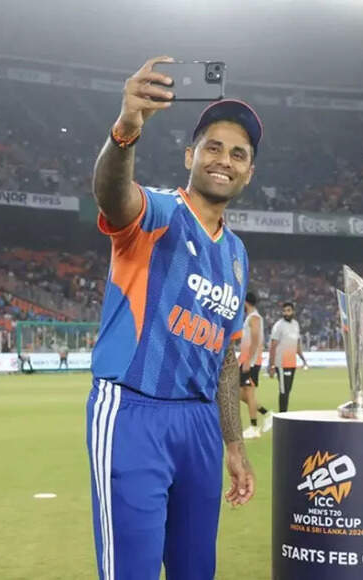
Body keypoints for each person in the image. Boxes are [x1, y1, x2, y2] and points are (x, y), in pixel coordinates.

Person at [87, 55, 261, 580]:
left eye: (238, 154)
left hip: (200, 425)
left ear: (249, 172)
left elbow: (225, 356)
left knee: (196, 571)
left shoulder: (236, 254)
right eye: (213, 147)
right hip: (134, 411)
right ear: (190, 155)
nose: (224, 160)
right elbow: (113, 198)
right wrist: (125, 131)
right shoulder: (161, 212)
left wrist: (234, 443)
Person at [238, 292, 271, 439]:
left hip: (250, 362)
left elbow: (256, 341)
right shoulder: (251, 318)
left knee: (249, 393)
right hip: (247, 360)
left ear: (246, 302)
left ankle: (254, 427)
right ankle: (267, 414)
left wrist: (248, 361)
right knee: (238, 393)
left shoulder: (254, 318)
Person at [267, 301, 309, 413]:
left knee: (288, 390)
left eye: (288, 310)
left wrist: (303, 359)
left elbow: (297, 345)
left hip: (292, 363)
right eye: (284, 311)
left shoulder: (296, 325)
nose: (286, 313)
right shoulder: (278, 326)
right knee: (283, 391)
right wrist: (271, 365)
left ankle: (284, 414)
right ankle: (282, 415)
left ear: (293, 311)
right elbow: (273, 346)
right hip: (281, 364)